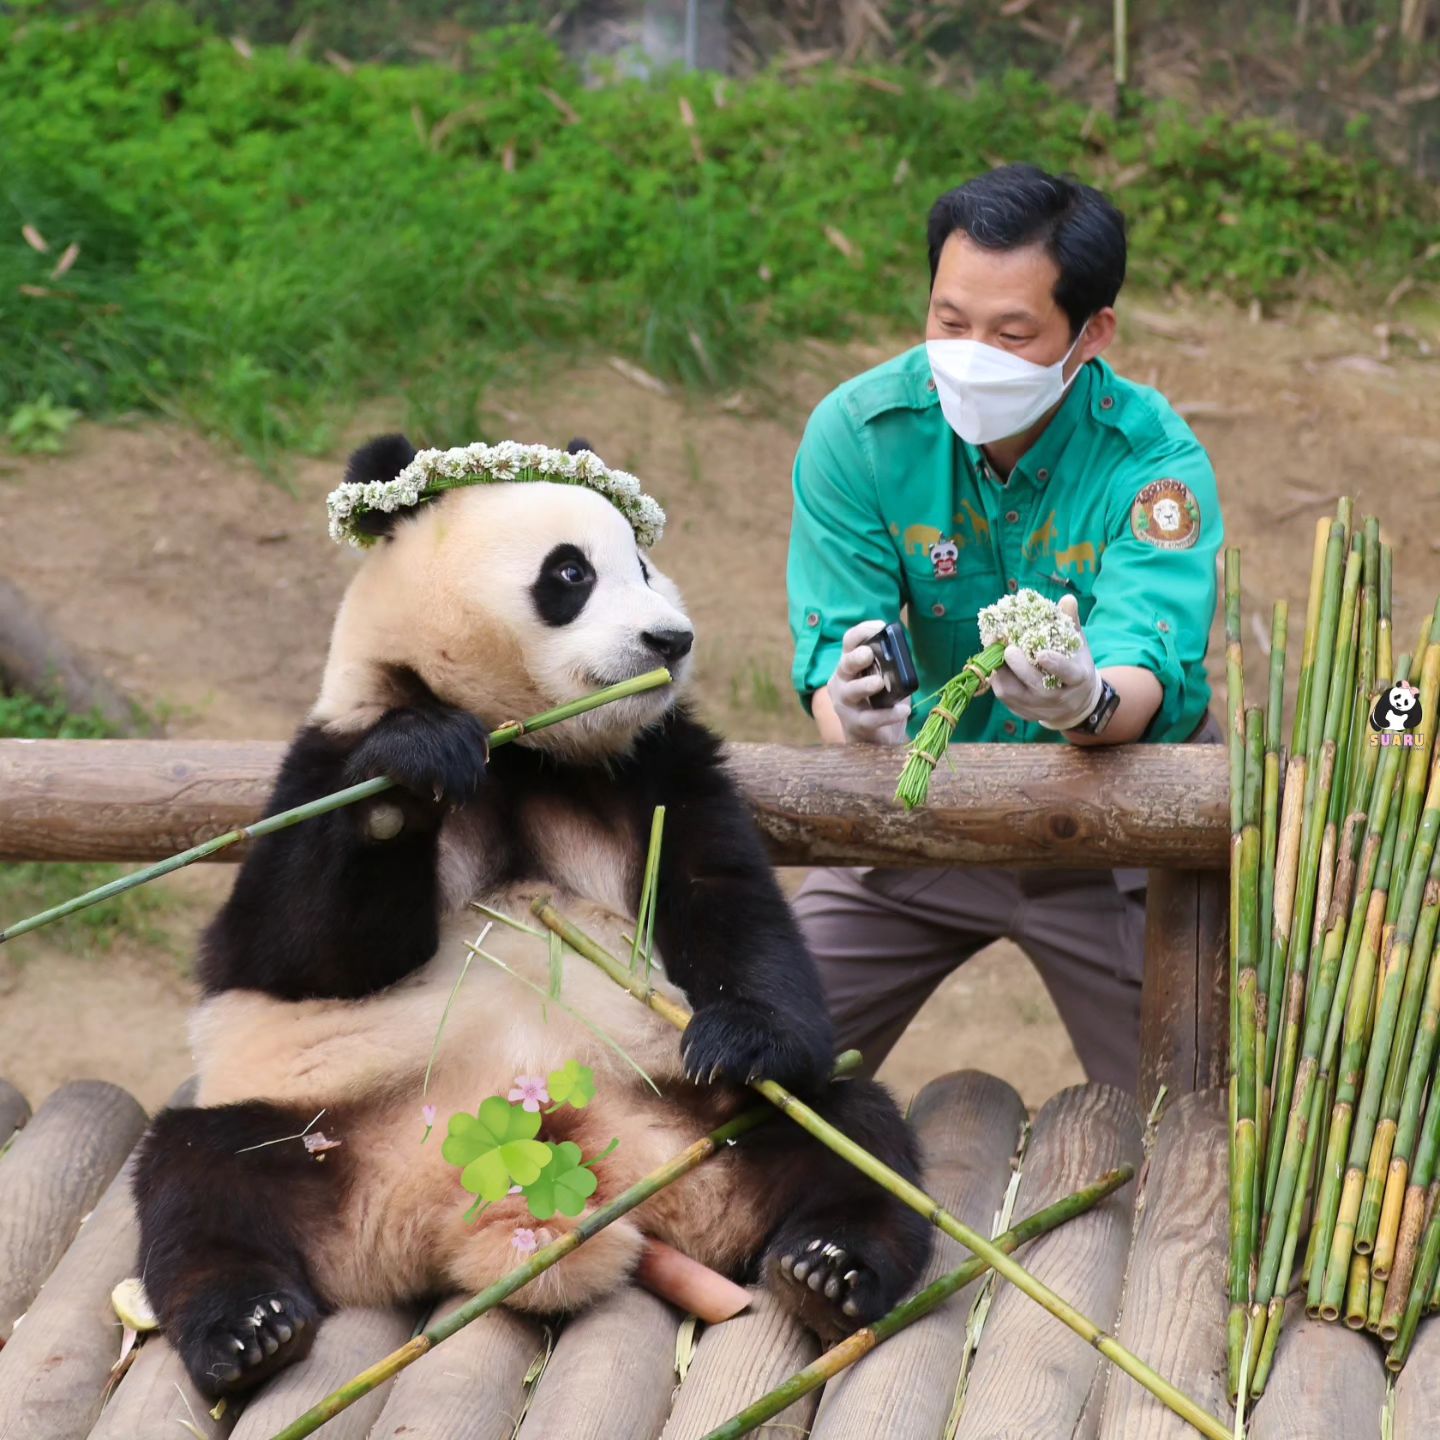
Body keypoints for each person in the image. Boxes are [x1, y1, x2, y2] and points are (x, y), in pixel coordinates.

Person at [785, 164, 1223, 1093]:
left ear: (1091, 333)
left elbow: (1147, 670)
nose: (970, 353)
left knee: (1201, 1114)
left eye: (1012, 333)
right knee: (757, 1062)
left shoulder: (1155, 465)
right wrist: (852, 711)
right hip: (921, 800)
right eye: (950, 321)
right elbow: (836, 657)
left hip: (1115, 828)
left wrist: (1083, 695)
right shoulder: (861, 434)